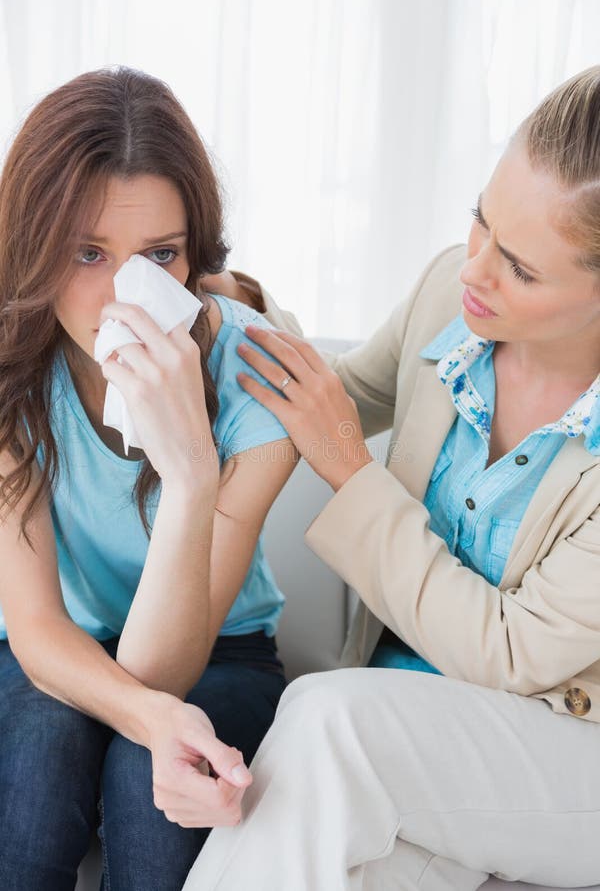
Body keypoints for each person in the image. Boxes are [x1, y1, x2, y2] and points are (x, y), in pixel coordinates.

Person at [182, 66, 600, 889]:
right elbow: (347, 395)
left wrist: (348, 468)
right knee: (343, 845)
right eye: (480, 222)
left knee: (330, 719)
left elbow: (512, 653)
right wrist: (230, 306)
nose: (475, 269)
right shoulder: (454, 291)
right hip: (422, 751)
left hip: (570, 758)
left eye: (520, 268)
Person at [0, 66, 299, 891]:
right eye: (87, 253)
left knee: (153, 784)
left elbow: (169, 667)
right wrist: (150, 715)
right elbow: (34, 628)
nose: (122, 295)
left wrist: (191, 470)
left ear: (196, 257)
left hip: (221, 648)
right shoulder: (14, 371)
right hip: (59, 643)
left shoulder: (257, 377)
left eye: (159, 255)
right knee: (40, 755)